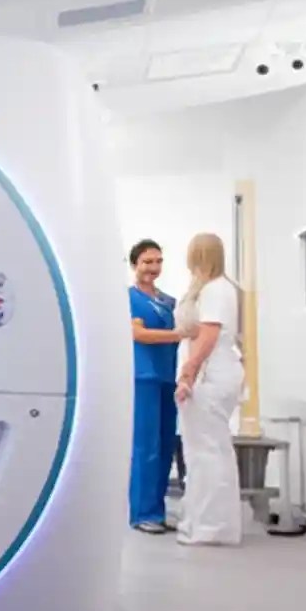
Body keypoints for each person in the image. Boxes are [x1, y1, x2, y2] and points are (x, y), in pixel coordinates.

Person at [174, 232, 244, 546]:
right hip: (217, 373)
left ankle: (210, 527)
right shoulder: (222, 289)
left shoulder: (215, 290)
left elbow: (208, 336)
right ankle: (208, 523)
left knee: (206, 453)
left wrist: (188, 373)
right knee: (209, 450)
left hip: (210, 376)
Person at [127, 239, 186, 534]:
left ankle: (158, 511)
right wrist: (179, 334)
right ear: (134, 265)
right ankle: (141, 513)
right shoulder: (129, 297)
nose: (153, 267)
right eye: (147, 262)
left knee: (165, 446)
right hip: (144, 378)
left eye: (158, 261)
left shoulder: (168, 301)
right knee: (145, 446)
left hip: (167, 377)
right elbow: (138, 334)